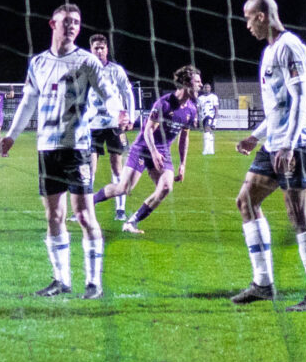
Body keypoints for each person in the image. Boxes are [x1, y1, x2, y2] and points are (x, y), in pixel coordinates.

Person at [0, 3, 107, 298]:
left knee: (83, 215)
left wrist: (120, 113)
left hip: (77, 147)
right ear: (52, 24)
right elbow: (27, 101)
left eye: (77, 22)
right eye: (67, 21)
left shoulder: (87, 61)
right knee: (53, 216)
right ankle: (61, 280)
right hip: (46, 148)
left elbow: (109, 93)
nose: (72, 26)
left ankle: (94, 282)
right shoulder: (38, 63)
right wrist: (11, 136)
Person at [232, 0, 306, 310]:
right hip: (274, 142)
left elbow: (302, 98)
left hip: (296, 143)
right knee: (246, 200)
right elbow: (279, 106)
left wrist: (289, 143)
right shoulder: (270, 52)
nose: (247, 26)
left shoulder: (290, 47)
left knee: (298, 214)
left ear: (261, 16)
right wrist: (255, 136)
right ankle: (263, 284)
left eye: (248, 18)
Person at [100, 65, 203, 234]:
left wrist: (183, 163)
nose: (200, 85)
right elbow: (147, 130)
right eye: (197, 82)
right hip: (142, 148)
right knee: (123, 188)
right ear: (185, 83)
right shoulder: (164, 103)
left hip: (163, 151)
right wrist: (153, 152)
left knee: (165, 187)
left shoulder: (191, 109)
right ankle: (90, 201)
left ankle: (131, 222)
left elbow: (184, 137)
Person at [85, 34, 140, 222]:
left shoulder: (116, 70)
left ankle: (120, 210)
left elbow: (128, 93)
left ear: (107, 49)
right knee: (88, 169)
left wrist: (131, 116)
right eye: (95, 48)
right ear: (90, 50)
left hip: (115, 125)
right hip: (92, 126)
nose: (99, 51)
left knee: (117, 168)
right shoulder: (85, 70)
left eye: (102, 48)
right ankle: (86, 210)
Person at [197, 81, 221, 156]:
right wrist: (197, 118)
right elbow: (198, 109)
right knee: (208, 132)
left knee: (207, 130)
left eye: (208, 87)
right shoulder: (200, 98)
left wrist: (215, 120)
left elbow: (216, 109)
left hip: (210, 115)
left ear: (210, 88)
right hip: (203, 116)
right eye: (205, 87)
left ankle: (206, 150)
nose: (206, 89)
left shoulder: (213, 97)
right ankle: (211, 150)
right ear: (203, 89)